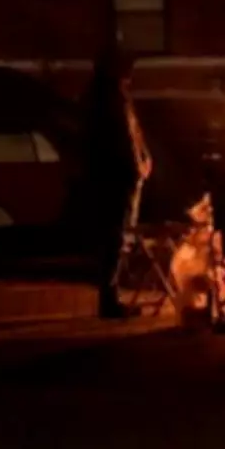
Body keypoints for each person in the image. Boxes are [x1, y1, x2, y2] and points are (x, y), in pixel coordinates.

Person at [80, 44, 153, 319]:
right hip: (114, 179)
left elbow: (133, 131)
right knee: (114, 236)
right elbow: (119, 139)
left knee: (117, 237)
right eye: (127, 66)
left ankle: (110, 297)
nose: (131, 72)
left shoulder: (115, 95)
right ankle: (109, 301)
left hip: (120, 176)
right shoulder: (107, 99)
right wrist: (134, 166)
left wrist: (144, 156)